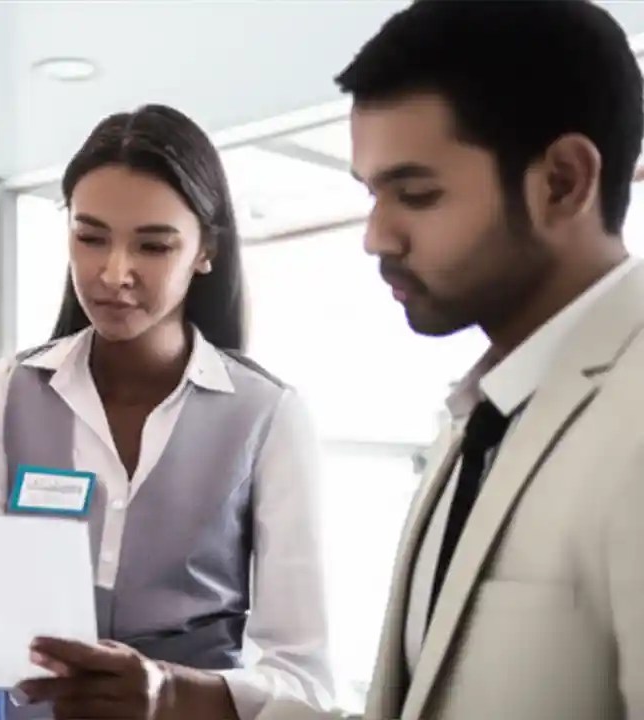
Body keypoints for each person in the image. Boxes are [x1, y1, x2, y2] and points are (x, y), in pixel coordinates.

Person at [264, 2, 644, 719]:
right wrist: (196, 705)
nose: (376, 237)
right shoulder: (482, 418)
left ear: (563, 181)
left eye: (415, 194)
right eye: (372, 195)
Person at [0, 104, 334, 720]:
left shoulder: (270, 416)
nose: (113, 273)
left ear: (205, 250)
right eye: (90, 237)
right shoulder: (0, 396)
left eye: (153, 245)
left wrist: (167, 692)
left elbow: (306, 679)